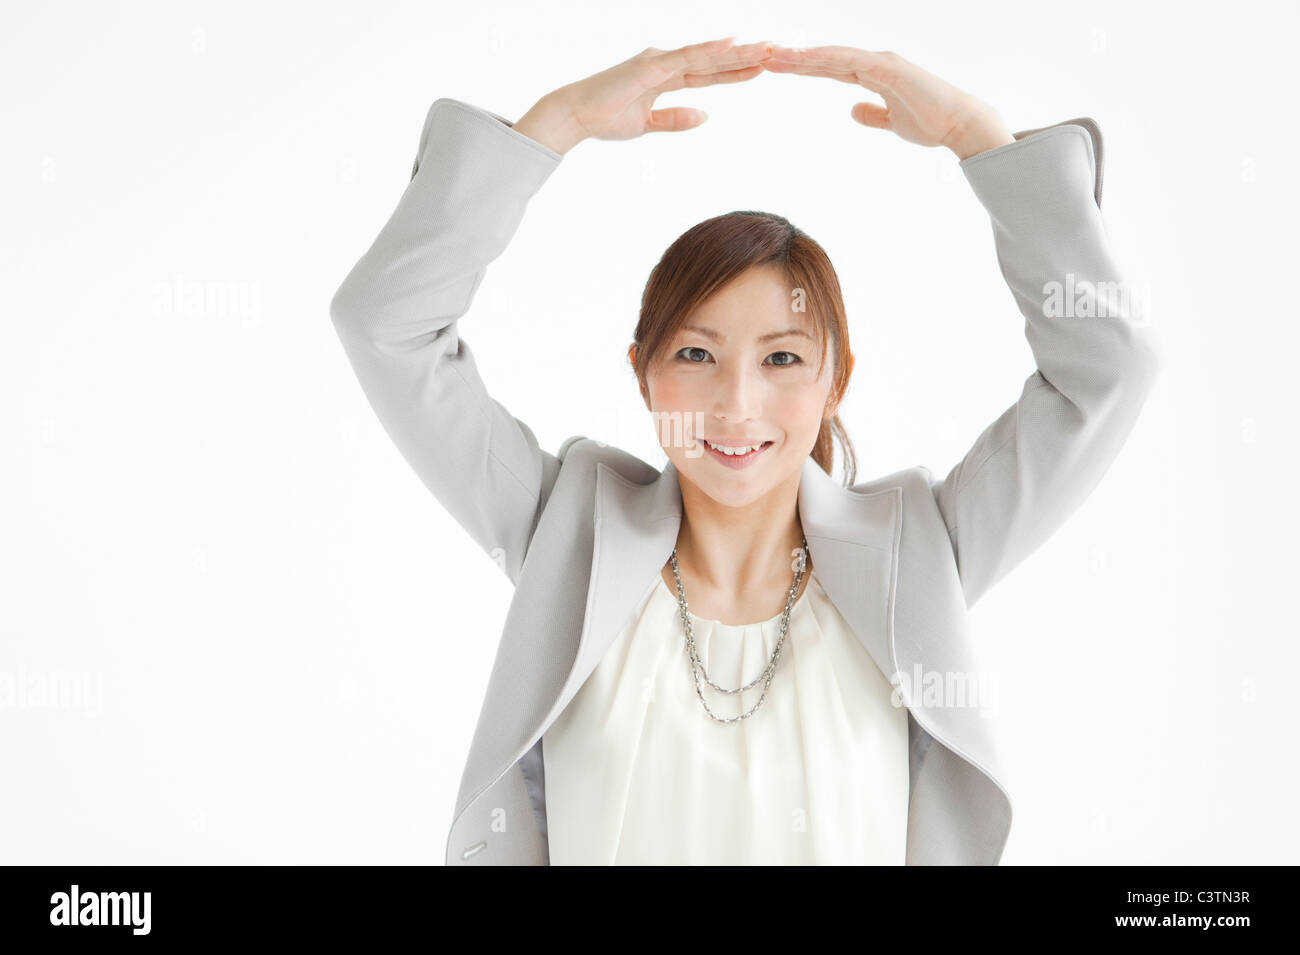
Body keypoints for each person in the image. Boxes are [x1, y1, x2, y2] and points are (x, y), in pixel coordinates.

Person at [329, 37, 1160, 864]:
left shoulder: (917, 554)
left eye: (783, 358)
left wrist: (980, 139)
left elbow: (1107, 370)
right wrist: (559, 123)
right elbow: (386, 327)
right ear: (642, 374)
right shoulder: (569, 537)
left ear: (838, 379)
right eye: (695, 355)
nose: (736, 404)